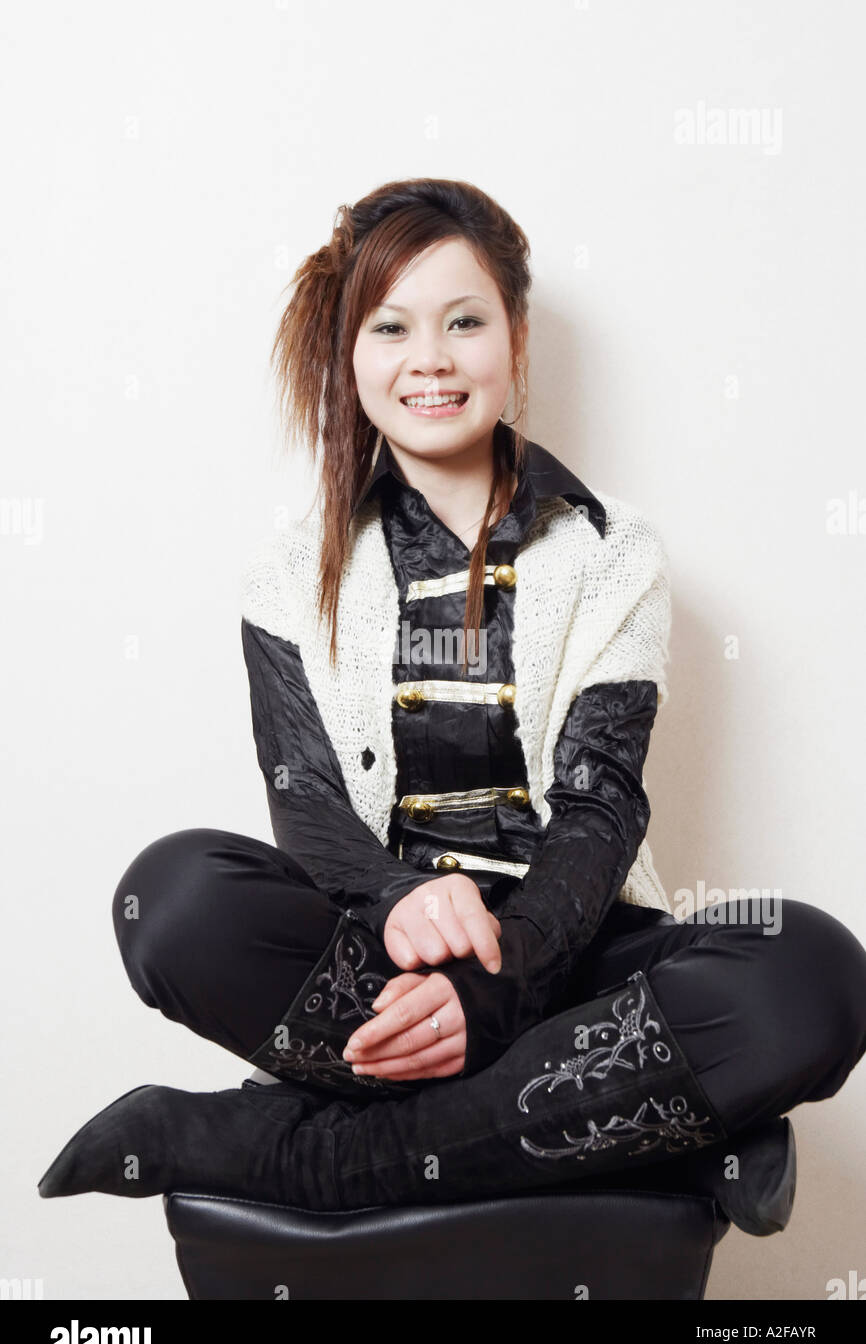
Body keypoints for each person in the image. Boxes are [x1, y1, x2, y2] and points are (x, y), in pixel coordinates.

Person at [37, 178, 866, 1234]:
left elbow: (600, 804)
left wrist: (502, 981)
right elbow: (307, 809)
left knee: (810, 972)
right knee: (173, 897)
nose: (427, 357)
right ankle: (669, 1131)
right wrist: (392, 899)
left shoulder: (611, 555)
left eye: (463, 321)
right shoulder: (289, 573)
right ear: (350, 355)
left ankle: (307, 1154)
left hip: (573, 970)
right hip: (379, 971)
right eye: (390, 327)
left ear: (514, 344)